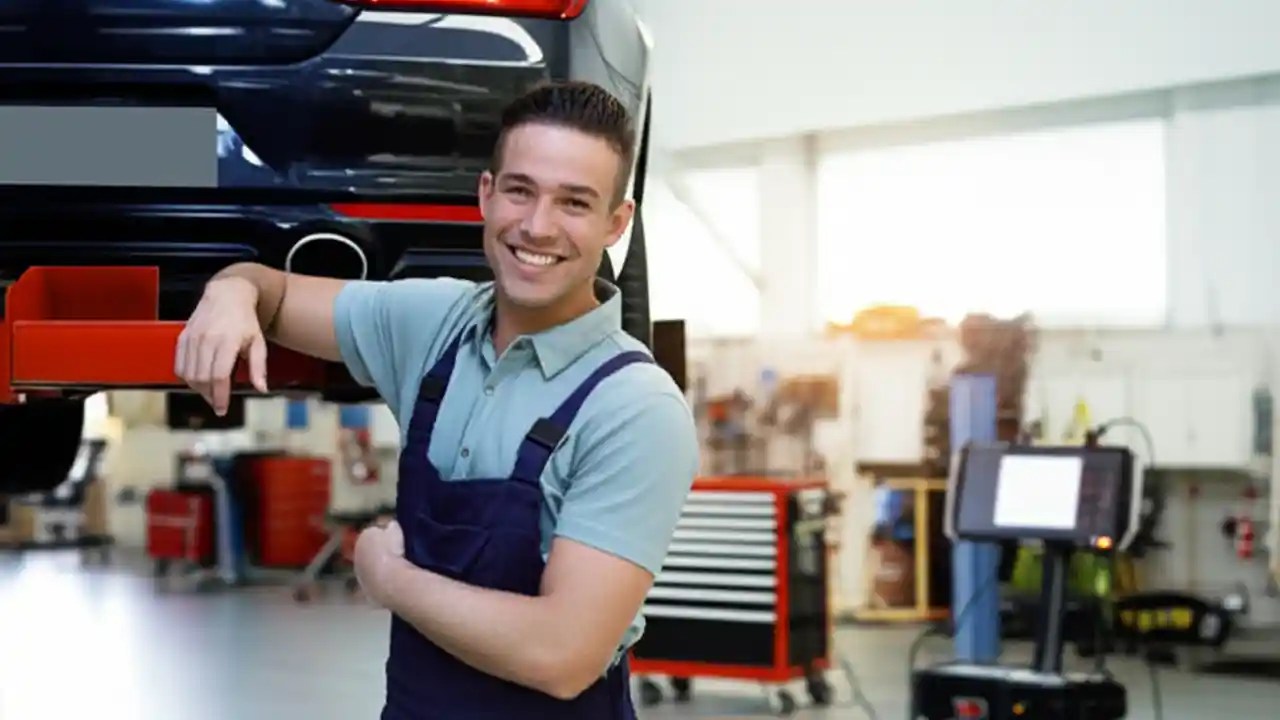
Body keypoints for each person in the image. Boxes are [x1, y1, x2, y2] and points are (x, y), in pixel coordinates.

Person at [174, 81, 700, 718]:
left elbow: (562, 655)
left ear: (617, 223)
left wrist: (390, 579)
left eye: (574, 203)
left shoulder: (635, 408)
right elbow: (273, 291)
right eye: (520, 190)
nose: (537, 225)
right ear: (486, 193)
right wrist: (228, 294)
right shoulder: (434, 324)